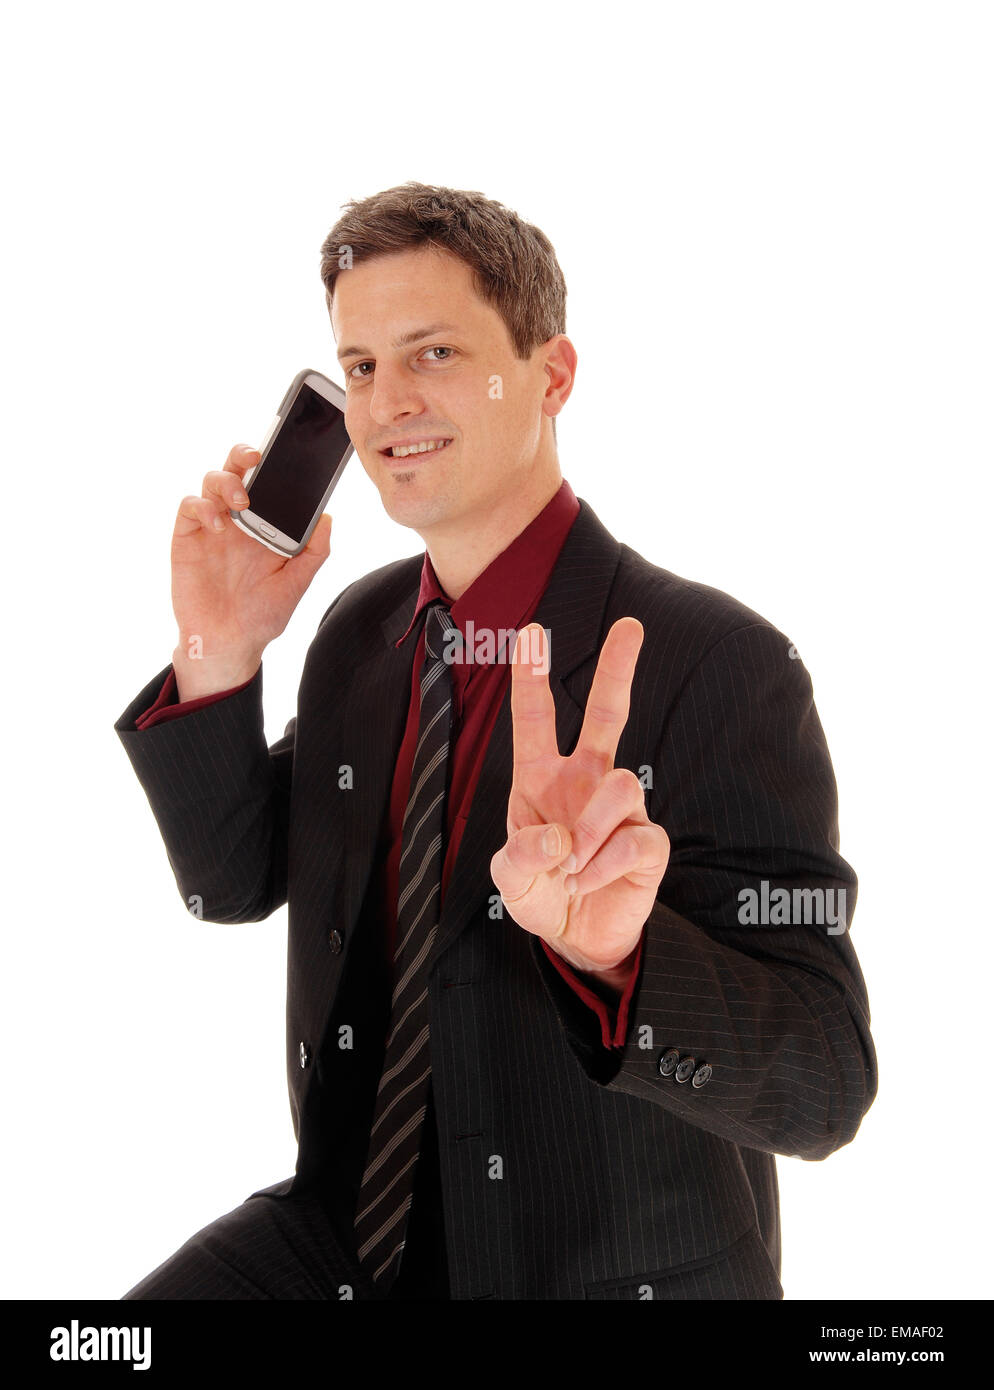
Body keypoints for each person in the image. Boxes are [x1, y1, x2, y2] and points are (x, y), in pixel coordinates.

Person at [114, 182, 877, 1300]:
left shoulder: (718, 664)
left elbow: (825, 1080)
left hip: (591, 1273)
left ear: (550, 374)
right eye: (361, 365)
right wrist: (217, 651)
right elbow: (233, 881)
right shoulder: (359, 636)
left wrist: (616, 955)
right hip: (347, 1239)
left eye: (430, 353)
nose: (384, 404)